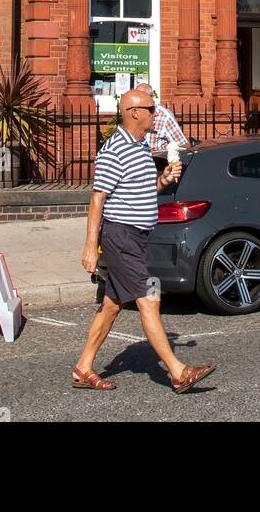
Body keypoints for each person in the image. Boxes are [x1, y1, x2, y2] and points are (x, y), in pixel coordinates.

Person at [71, 87, 216, 395]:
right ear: (134, 112)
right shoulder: (114, 149)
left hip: (136, 238)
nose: (156, 113)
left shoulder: (139, 146)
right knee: (150, 298)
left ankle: (83, 367)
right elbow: (98, 199)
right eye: (152, 108)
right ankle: (178, 372)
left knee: (112, 304)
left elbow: (141, 188)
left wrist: (162, 180)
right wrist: (89, 247)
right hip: (121, 236)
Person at [144, 86, 188, 166]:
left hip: (158, 167)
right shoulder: (134, 115)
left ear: (151, 97)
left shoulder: (165, 116)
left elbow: (181, 145)